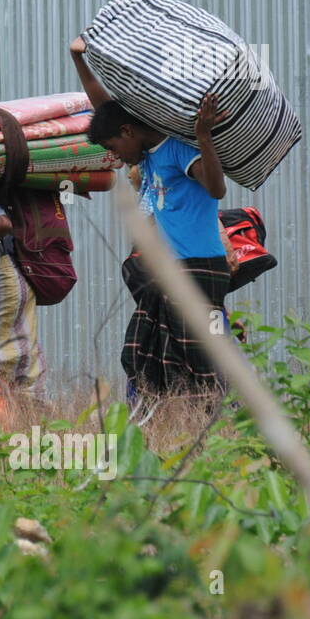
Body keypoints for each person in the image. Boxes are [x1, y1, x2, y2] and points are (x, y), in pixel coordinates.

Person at [71, 35, 229, 402]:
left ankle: (216, 427)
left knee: (197, 358)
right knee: (144, 353)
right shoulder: (147, 155)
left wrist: (204, 137)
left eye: (112, 147)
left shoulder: (176, 150)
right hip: (169, 270)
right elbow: (106, 109)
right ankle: (167, 424)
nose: (115, 156)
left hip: (199, 267)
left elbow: (217, 190)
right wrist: (79, 60)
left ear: (128, 133)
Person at [0, 190, 47, 397]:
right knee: (20, 352)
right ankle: (28, 417)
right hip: (8, 277)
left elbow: (1, 224)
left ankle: (9, 416)